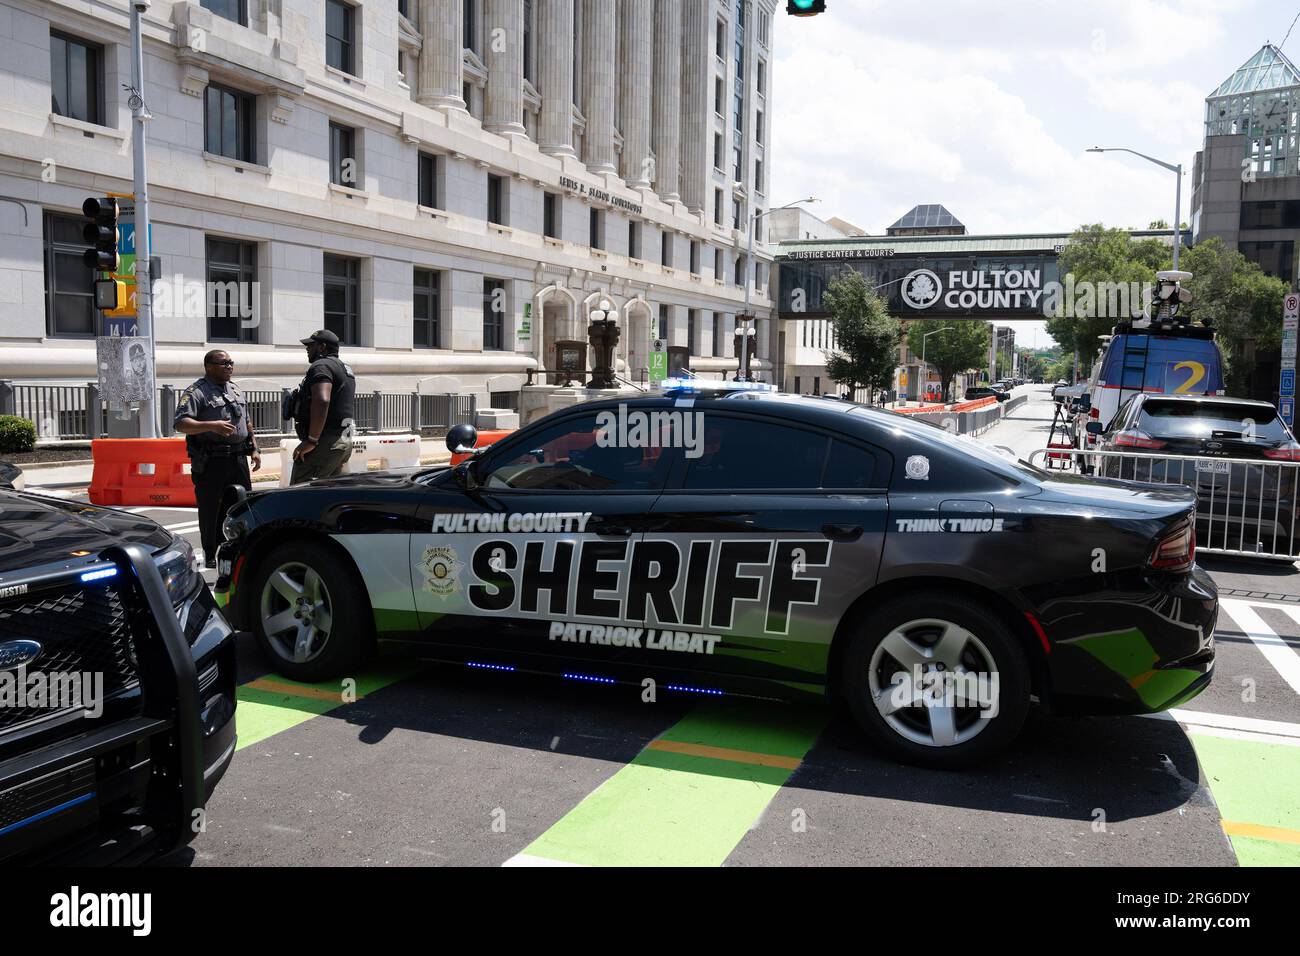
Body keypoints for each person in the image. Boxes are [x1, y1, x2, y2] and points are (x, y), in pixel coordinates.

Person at [174, 350, 261, 567]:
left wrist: (255, 449)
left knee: (242, 505)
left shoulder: (235, 389)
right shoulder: (197, 392)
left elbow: (247, 422)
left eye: (231, 363)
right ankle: (211, 554)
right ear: (209, 366)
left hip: (238, 457)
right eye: (224, 363)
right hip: (211, 460)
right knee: (211, 508)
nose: (229, 366)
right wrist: (211, 425)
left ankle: (241, 548)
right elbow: (180, 423)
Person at [290, 329, 356, 485]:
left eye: (311, 345)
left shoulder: (321, 366)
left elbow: (322, 400)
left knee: (300, 494)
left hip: (323, 444)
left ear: (322, 347)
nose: (307, 349)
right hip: (342, 441)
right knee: (326, 496)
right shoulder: (345, 368)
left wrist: (312, 440)